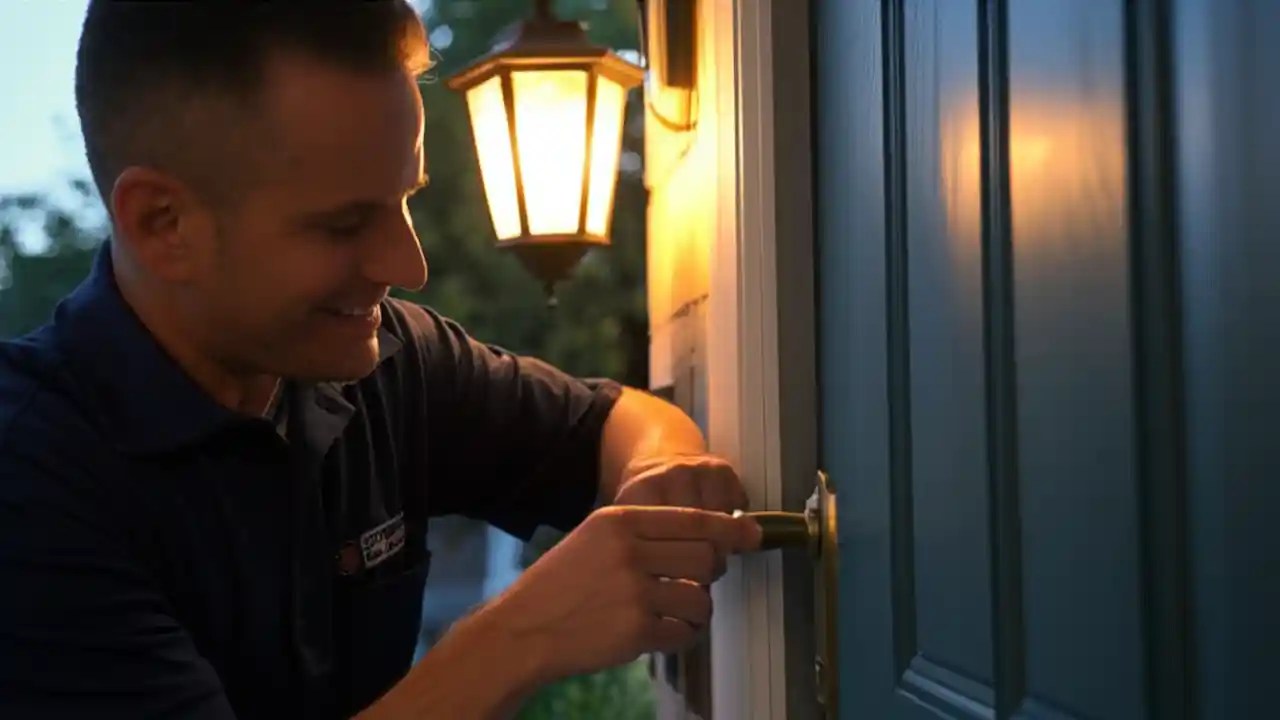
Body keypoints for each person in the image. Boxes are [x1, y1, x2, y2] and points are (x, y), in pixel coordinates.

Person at [0, 3, 762, 719]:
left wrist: (661, 477)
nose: (410, 262)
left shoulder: (387, 360)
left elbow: (617, 422)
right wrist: (523, 635)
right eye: (344, 224)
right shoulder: (31, 476)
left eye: (406, 199)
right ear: (162, 223)